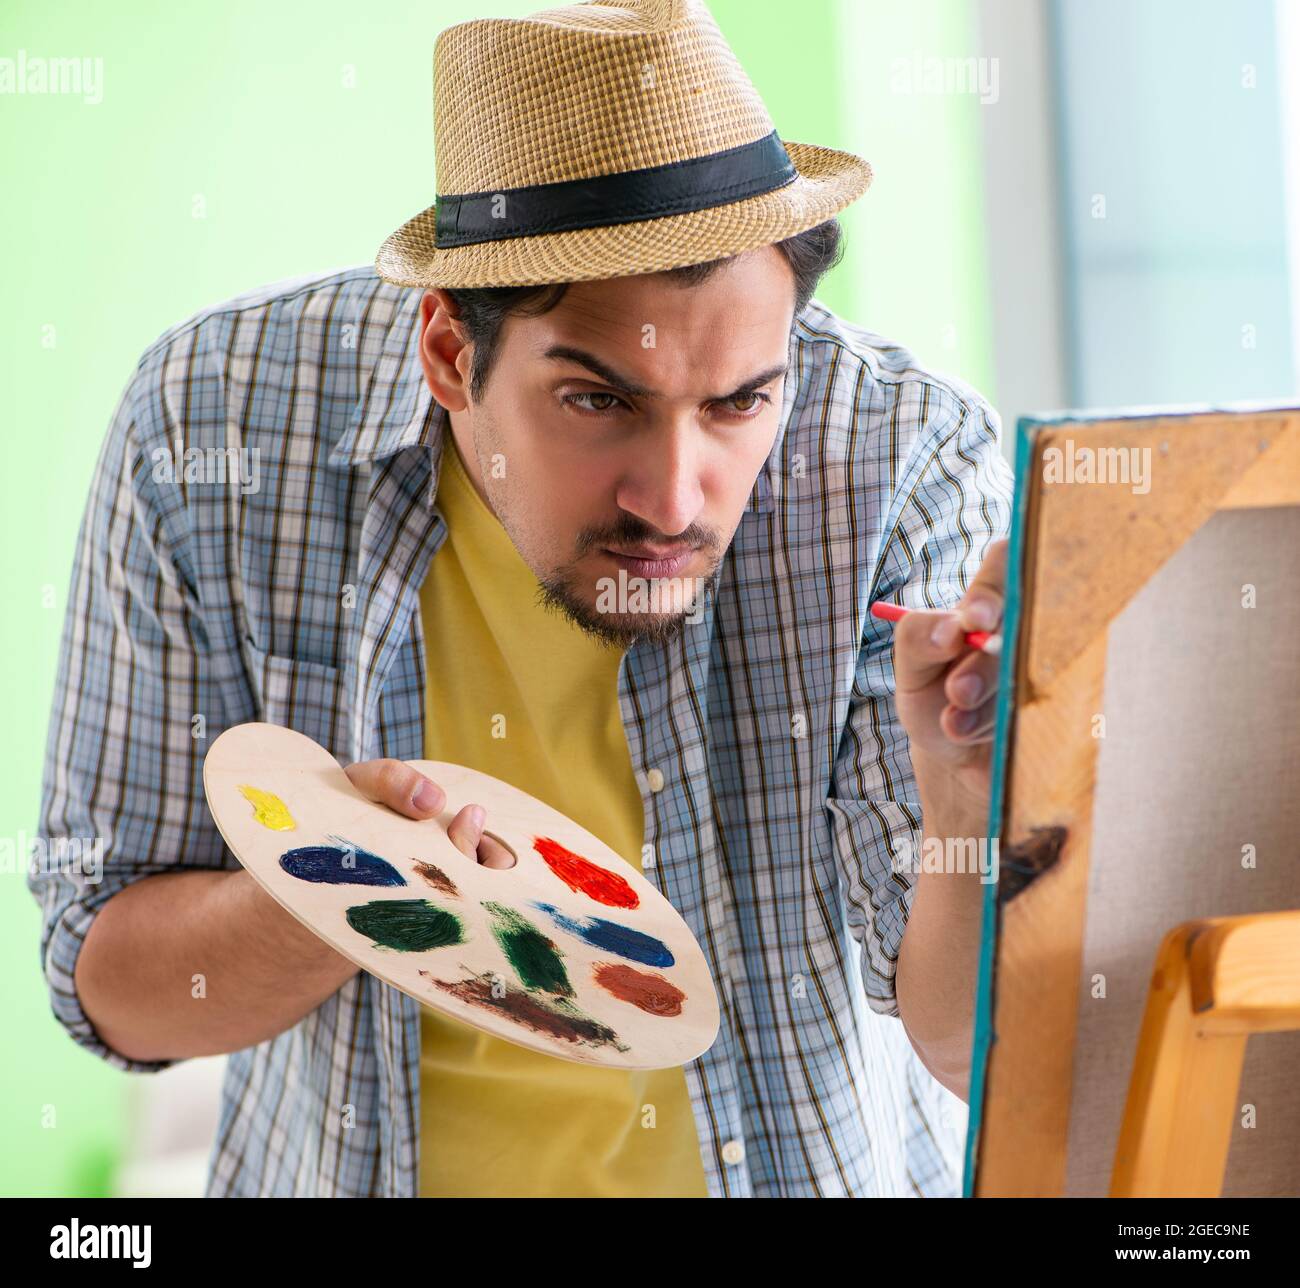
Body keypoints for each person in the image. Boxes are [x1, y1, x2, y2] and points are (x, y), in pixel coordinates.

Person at [29, 0, 1011, 1197]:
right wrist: (341, 883)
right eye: (599, 402)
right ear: (450, 353)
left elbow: (970, 1041)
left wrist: (968, 790)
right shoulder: (215, 425)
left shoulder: (905, 458)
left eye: (739, 403)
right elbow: (114, 988)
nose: (672, 497)